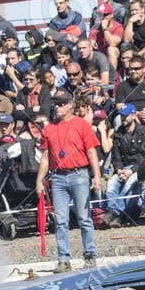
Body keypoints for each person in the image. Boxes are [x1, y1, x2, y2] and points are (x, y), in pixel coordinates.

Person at [36, 96, 102, 270]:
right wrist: (39, 180)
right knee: (60, 220)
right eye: (55, 104)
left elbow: (91, 152)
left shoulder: (81, 125)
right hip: (57, 177)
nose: (57, 107)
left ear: (70, 105)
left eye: (61, 104)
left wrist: (96, 175)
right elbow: (44, 157)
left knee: (84, 217)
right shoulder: (49, 128)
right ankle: (64, 259)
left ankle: (90, 256)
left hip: (79, 174)